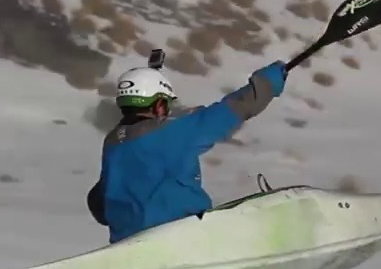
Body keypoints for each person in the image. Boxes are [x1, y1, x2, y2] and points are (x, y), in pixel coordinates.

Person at [86, 60, 287, 243]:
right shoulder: (170, 133)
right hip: (181, 238)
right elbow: (230, 111)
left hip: (126, 244)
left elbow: (100, 206)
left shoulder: (113, 143)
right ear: (158, 105)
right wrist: (267, 82)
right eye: (165, 105)